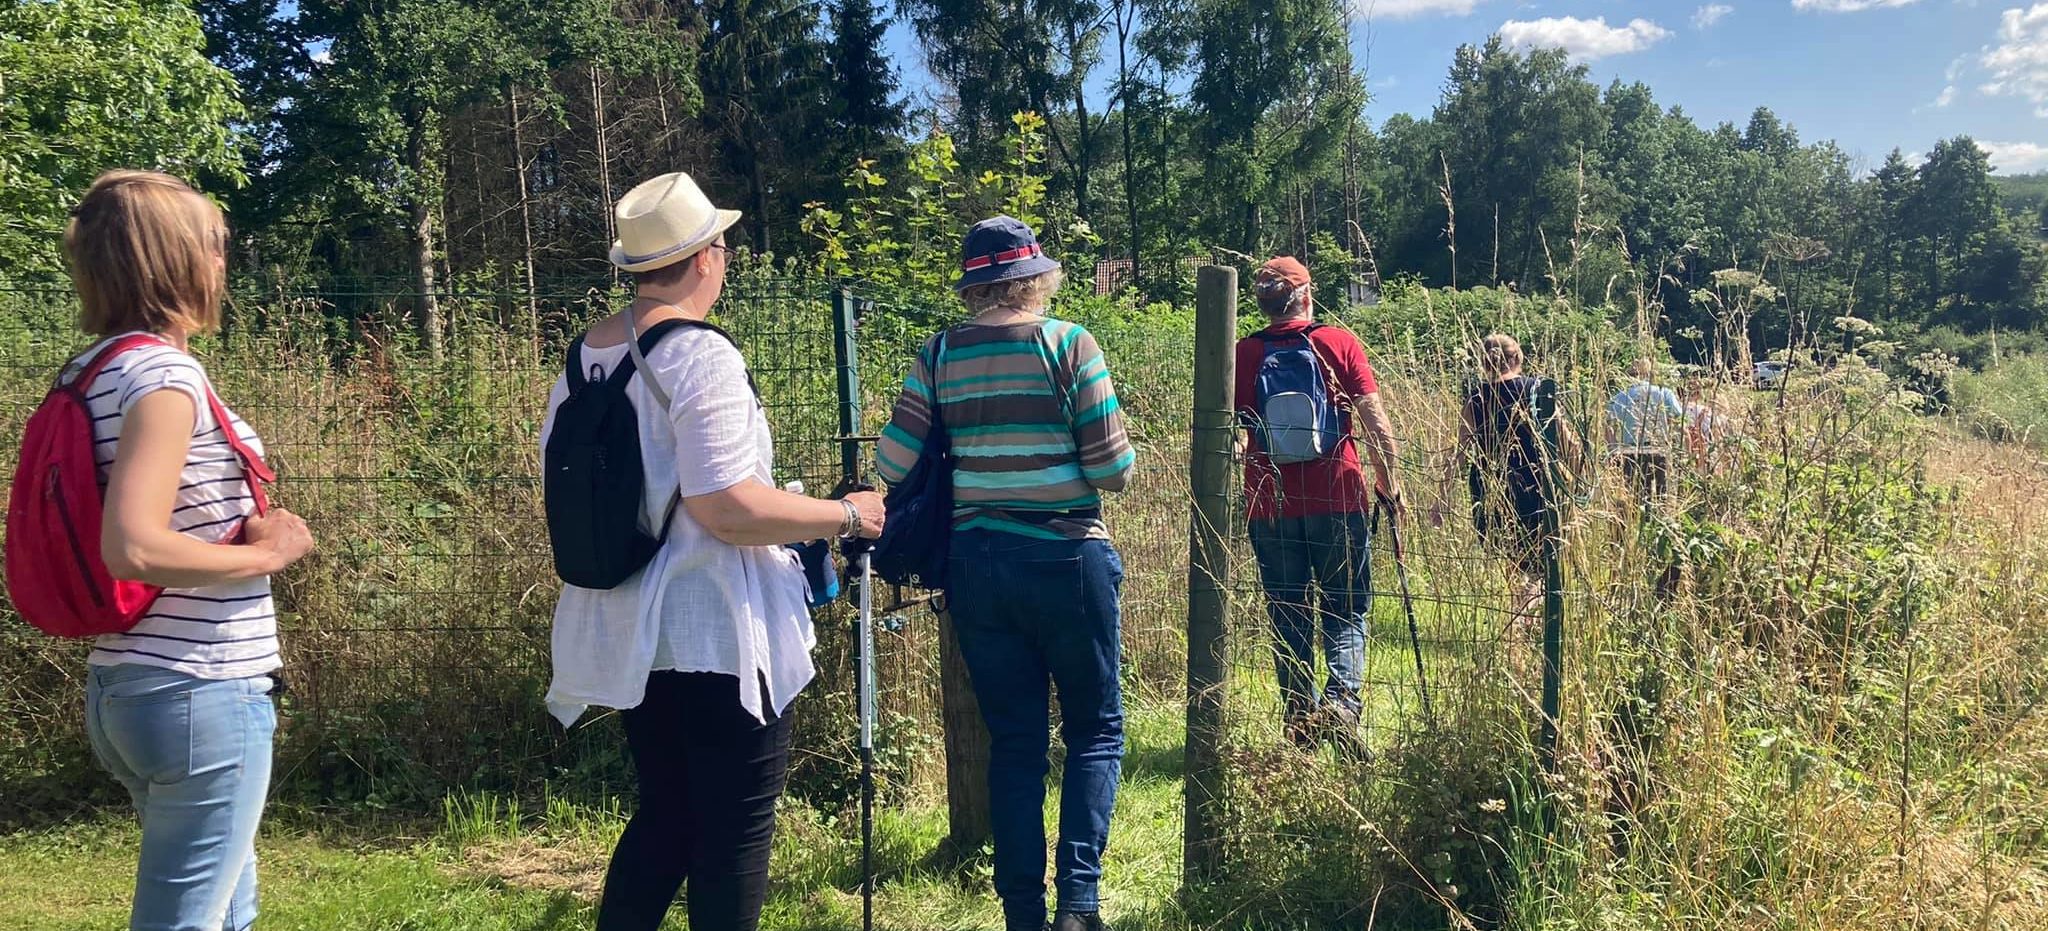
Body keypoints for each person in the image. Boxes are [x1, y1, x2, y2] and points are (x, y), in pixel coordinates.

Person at [540, 172, 884, 931]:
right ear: (704, 258)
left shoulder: (583, 360)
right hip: (717, 632)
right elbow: (726, 505)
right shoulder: (701, 357)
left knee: (665, 818)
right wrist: (843, 515)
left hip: (633, 629)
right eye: (721, 245)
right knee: (733, 835)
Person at [66, 170, 316, 931]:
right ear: (174, 258)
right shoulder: (164, 375)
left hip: (126, 682)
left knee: (227, 902)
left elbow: (160, 516)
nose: (223, 262)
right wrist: (268, 556)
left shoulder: (94, 370)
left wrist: (239, 530)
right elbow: (134, 543)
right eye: (215, 244)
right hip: (199, 685)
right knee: (187, 919)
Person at [876, 216, 1134, 931]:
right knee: (1095, 730)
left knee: (1015, 741)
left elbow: (891, 465)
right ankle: (1079, 904)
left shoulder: (936, 355)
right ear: (1036, 279)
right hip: (1066, 554)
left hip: (977, 563)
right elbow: (1113, 471)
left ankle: (1023, 912)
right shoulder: (1070, 343)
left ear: (975, 285)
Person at [1233, 256, 1401, 751]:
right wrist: (1389, 485)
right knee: (1346, 608)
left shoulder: (1243, 352)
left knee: (1287, 611)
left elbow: (1237, 433)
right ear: (1307, 295)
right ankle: (1342, 705)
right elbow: (1376, 424)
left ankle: (1299, 724)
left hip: (1269, 502)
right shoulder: (1337, 343)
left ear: (1262, 302)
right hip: (1338, 495)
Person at [1449, 334, 1578, 631]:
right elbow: (1566, 441)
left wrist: (1439, 499)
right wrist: (1579, 478)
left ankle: (1520, 621)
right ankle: (1517, 625)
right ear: (1518, 359)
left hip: (1488, 490)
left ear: (1484, 363)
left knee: (1516, 565)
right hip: (1534, 489)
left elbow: (1459, 452)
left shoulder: (1475, 399)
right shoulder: (1536, 391)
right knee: (1537, 566)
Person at [1605, 357, 1682, 501]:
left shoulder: (1621, 397)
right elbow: (1679, 418)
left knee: (1634, 495)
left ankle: (1637, 520)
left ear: (1630, 376)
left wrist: (1613, 447)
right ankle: (1658, 520)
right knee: (1661, 494)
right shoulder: (1664, 393)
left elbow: (1608, 424)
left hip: (1630, 452)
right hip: (1659, 449)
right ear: (1650, 373)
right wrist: (1669, 435)